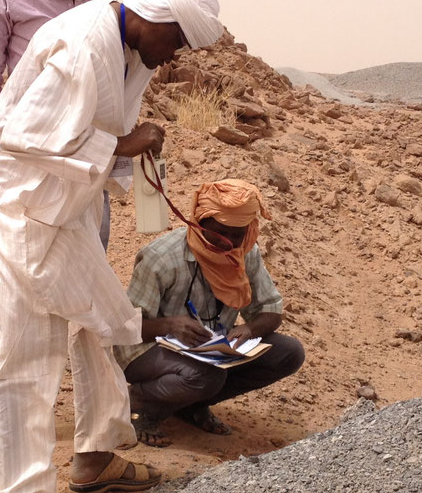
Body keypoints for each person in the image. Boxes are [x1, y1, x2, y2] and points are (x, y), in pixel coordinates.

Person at [0, 0, 224, 493]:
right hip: (17, 198)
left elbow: (91, 133)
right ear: (158, 17)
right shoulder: (85, 44)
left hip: (61, 197)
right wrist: (128, 145)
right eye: (176, 40)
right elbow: (28, 135)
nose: (174, 56)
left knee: (96, 322)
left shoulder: (130, 51)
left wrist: (131, 157)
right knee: (28, 340)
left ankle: (96, 460)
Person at [0, 0, 115, 455]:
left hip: (81, 176)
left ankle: (85, 422)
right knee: (15, 291)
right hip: (22, 175)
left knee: (83, 291)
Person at [116, 179, 305, 447]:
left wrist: (250, 329)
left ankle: (190, 404)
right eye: (219, 233)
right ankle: (142, 404)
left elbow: (271, 313)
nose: (228, 243)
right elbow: (124, 329)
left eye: (237, 235)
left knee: (289, 353)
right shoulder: (161, 258)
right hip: (145, 350)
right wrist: (169, 326)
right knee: (207, 375)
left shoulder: (244, 253)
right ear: (199, 223)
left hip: (208, 350)